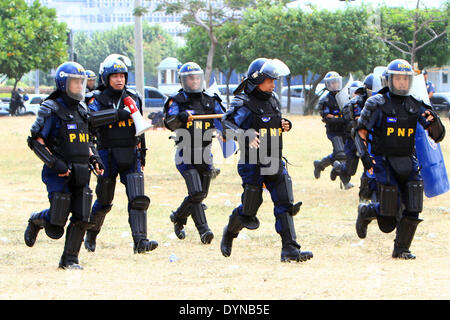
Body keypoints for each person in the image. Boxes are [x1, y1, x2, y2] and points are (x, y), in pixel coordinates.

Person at [220, 58, 313, 263]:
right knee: (249, 209)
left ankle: (290, 250)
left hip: (274, 159)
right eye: (270, 80)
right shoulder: (243, 102)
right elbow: (226, 124)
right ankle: (230, 232)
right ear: (257, 80)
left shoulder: (273, 99)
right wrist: (244, 135)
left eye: (274, 80)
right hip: (252, 163)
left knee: (285, 202)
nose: (273, 84)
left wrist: (284, 124)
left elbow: (272, 120)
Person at [354, 59, 445, 259]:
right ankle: (367, 211)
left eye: (406, 79)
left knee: (413, 204)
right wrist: (366, 159)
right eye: (398, 79)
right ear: (390, 80)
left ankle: (401, 249)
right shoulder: (377, 103)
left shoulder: (414, 104)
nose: (402, 83)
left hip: (408, 161)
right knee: (388, 217)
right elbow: (359, 132)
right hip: (384, 162)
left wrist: (434, 121)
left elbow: (437, 136)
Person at [24, 61, 104, 270]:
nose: (79, 86)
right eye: (75, 82)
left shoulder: (83, 109)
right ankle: (37, 220)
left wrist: (94, 158)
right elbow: (36, 141)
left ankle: (70, 260)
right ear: (63, 83)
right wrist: (55, 163)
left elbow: (86, 140)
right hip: (58, 172)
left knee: (82, 215)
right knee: (57, 222)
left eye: (81, 82)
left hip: (81, 170)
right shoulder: (51, 108)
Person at [85, 54, 158, 254]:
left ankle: (141, 242)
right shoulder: (96, 98)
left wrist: (142, 153)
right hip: (106, 153)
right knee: (104, 202)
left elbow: (140, 128)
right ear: (106, 78)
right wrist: (118, 115)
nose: (120, 79)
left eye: (122, 75)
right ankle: (91, 233)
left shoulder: (133, 97)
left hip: (131, 152)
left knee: (138, 199)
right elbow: (90, 119)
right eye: (115, 76)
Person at [163, 62, 225, 244]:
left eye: (197, 77)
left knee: (200, 194)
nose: (194, 81)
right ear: (183, 80)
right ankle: (204, 231)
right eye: (190, 78)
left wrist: (229, 132)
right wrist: (179, 119)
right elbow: (169, 122)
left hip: (205, 153)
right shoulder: (177, 100)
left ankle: (178, 217)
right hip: (185, 153)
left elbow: (224, 120)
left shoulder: (210, 100)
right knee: (196, 192)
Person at [313, 71, 348, 182]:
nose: (335, 85)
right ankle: (345, 181)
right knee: (341, 154)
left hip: (345, 130)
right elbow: (328, 118)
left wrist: (338, 117)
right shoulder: (325, 100)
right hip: (334, 131)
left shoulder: (344, 97)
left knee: (342, 153)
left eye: (336, 82)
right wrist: (341, 118)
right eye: (332, 83)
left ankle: (320, 164)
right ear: (328, 85)